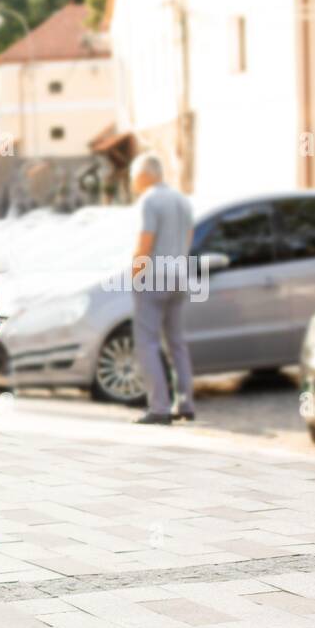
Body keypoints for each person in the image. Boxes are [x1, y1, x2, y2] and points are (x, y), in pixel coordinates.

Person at [129, 152, 196, 425]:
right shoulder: (182, 200)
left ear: (145, 175)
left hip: (155, 278)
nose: (133, 182)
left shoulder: (149, 200)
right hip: (179, 275)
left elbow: (145, 243)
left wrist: (134, 275)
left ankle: (159, 408)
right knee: (176, 343)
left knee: (147, 342)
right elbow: (189, 239)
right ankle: (186, 403)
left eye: (134, 176)